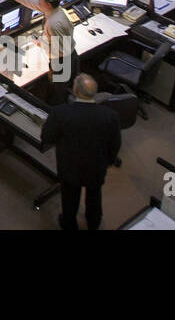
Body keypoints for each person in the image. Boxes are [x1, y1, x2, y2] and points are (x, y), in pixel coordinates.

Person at [41, 74, 122, 231]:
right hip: (97, 167)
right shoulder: (110, 115)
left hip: (69, 167)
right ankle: (94, 222)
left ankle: (69, 223)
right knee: (94, 195)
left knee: (69, 198)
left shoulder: (60, 113)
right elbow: (115, 144)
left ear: (75, 91)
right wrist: (108, 161)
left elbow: (47, 137)